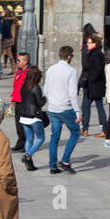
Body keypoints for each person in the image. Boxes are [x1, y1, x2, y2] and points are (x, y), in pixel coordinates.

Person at [44, 46, 82, 175]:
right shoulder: (71, 71)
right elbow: (73, 93)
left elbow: (46, 90)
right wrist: (78, 111)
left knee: (54, 137)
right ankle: (65, 160)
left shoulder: (51, 69)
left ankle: (53, 166)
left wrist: (52, 101)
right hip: (65, 108)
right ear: (69, 56)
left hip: (53, 108)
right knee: (75, 132)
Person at [17, 68, 46, 171]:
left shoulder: (23, 87)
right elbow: (39, 103)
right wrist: (45, 98)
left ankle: (29, 163)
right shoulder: (36, 88)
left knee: (29, 139)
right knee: (41, 138)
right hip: (34, 117)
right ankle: (28, 155)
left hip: (24, 117)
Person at [80, 33, 107, 138]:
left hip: (93, 85)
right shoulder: (92, 53)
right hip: (94, 85)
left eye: (90, 43)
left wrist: (89, 80)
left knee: (89, 106)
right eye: (87, 42)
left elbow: (97, 70)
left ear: (95, 43)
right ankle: (87, 128)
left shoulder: (96, 54)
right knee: (95, 106)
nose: (87, 44)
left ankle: (87, 128)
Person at [8, 52, 31, 151]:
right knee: (18, 123)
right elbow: (16, 85)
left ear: (25, 61)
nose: (17, 62)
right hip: (17, 100)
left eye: (19, 60)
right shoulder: (19, 71)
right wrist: (13, 95)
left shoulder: (29, 72)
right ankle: (20, 141)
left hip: (25, 101)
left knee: (24, 123)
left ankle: (26, 143)